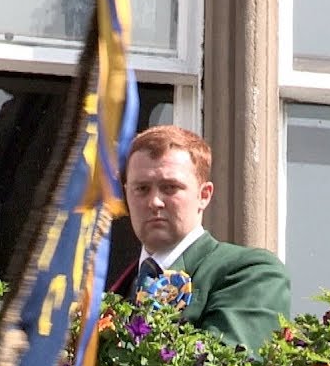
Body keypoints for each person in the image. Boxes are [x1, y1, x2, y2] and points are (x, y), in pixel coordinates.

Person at [108, 125, 290, 351]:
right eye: (142, 189)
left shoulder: (253, 273)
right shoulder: (113, 291)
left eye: (170, 187)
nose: (154, 201)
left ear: (204, 195)